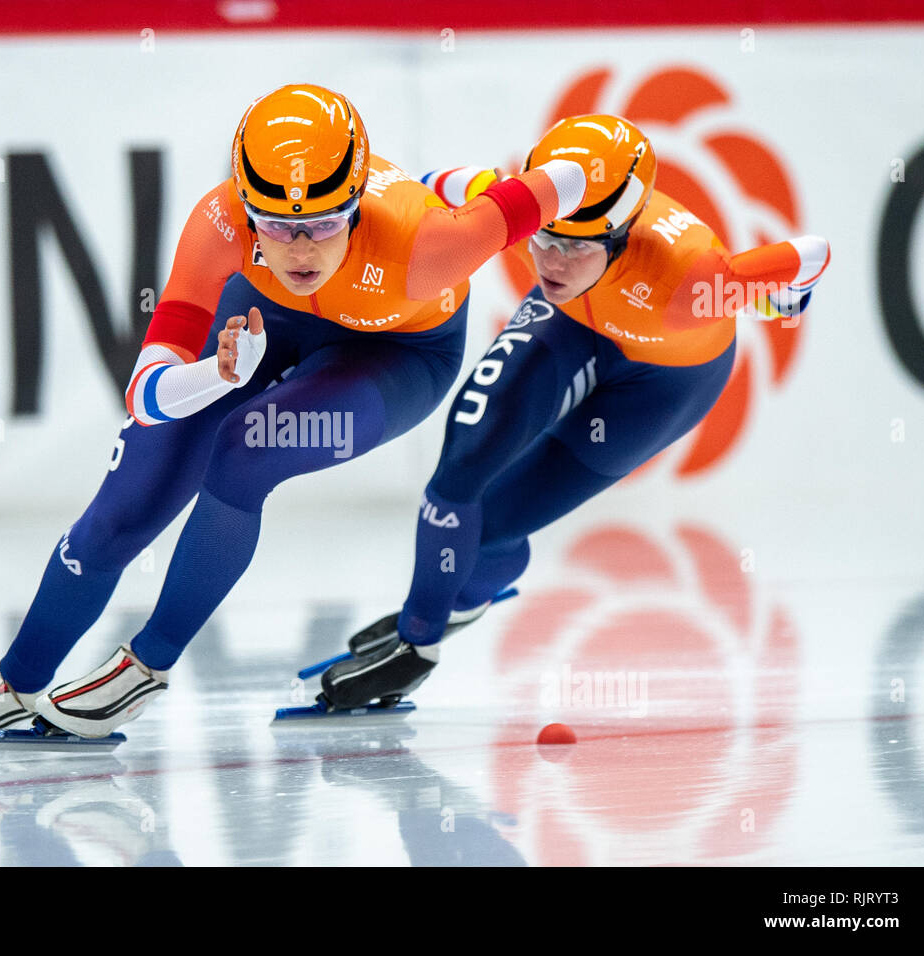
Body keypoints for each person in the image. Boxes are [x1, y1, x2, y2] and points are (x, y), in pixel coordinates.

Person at [0, 83, 588, 741]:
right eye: (278, 227)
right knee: (128, 501)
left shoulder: (425, 247)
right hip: (260, 323)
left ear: (355, 206)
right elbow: (146, 391)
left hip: (396, 353)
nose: (301, 249)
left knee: (244, 451)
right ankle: (16, 681)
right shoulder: (220, 221)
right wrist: (214, 373)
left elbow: (572, 178)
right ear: (246, 208)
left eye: (322, 224)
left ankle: (148, 664)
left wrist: (545, 183)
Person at [319, 113, 830, 709]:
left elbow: (812, 255)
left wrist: (781, 298)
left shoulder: (692, 285)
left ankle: (440, 620)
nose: (552, 264)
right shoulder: (532, 210)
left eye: (574, 248)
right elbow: (432, 186)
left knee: (495, 527)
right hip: (573, 324)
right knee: (464, 456)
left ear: (620, 238)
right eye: (543, 240)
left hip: (663, 385)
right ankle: (425, 628)